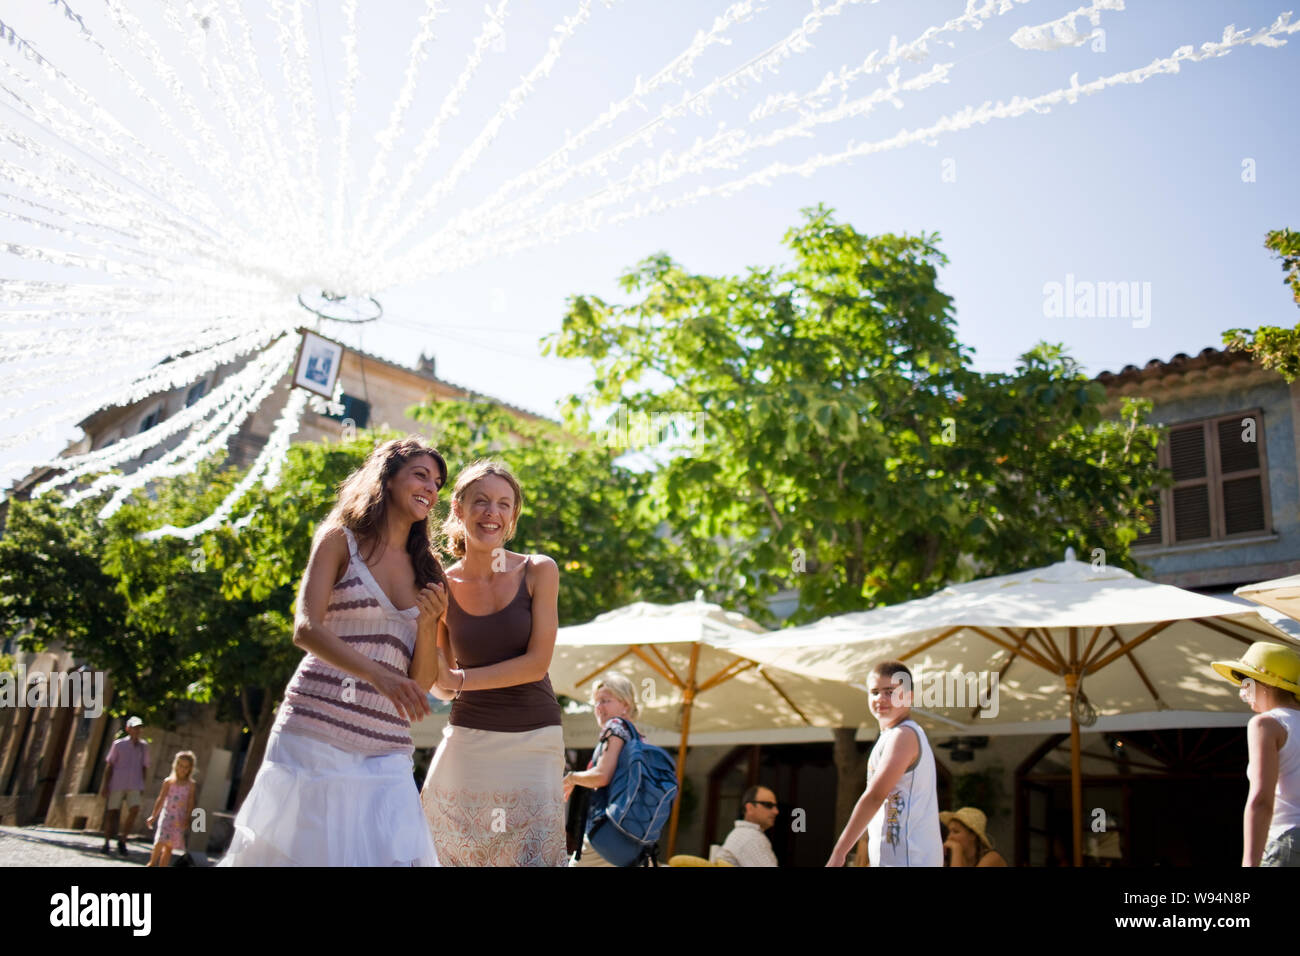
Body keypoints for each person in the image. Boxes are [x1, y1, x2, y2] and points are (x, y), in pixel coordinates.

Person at [219, 437, 449, 866]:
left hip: (387, 744)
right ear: (387, 476)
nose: (432, 488)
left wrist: (427, 621)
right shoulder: (339, 540)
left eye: (437, 482)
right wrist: (378, 675)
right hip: (315, 729)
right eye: (421, 474)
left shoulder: (428, 569)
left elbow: (418, 685)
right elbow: (306, 629)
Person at [418, 460, 566, 866]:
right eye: (480, 501)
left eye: (504, 504)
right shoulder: (440, 585)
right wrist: (428, 629)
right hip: (467, 738)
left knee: (524, 857)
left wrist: (457, 679)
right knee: (435, 849)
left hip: (534, 738)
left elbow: (536, 664)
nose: (491, 512)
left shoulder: (538, 570)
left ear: (513, 516)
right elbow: (440, 684)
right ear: (459, 509)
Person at [827, 660, 942, 867]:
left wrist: (839, 853)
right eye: (874, 692)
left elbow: (875, 796)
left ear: (909, 696)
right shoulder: (891, 736)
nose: (880, 698)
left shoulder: (904, 735)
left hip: (911, 859)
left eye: (890, 691)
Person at [1211, 641, 1300, 867]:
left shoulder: (1266, 725)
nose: (1242, 691)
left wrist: (1249, 863)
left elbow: (1261, 800)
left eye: (1245, 682)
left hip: (1288, 841)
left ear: (1266, 684)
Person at [562, 672, 643, 867]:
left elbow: (602, 776)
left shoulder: (615, 727)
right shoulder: (637, 736)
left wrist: (571, 778)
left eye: (606, 701)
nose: (599, 707)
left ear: (626, 705)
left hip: (608, 828)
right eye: (596, 702)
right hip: (634, 829)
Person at [100, 716, 150, 856]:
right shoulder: (118, 744)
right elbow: (110, 765)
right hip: (117, 782)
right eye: (134, 727)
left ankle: (123, 839)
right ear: (128, 729)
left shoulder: (144, 747)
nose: (137, 730)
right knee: (112, 812)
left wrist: (142, 784)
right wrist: (105, 785)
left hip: (134, 783)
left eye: (139, 728)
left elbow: (145, 767)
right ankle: (107, 842)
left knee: (134, 810)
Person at [146, 751, 197, 867]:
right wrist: (154, 815)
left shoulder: (191, 784)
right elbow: (161, 799)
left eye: (186, 767)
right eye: (180, 765)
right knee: (160, 840)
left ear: (190, 769)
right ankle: (152, 863)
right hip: (167, 815)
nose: (182, 769)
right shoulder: (168, 782)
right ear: (175, 765)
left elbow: (190, 802)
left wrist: (188, 818)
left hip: (179, 818)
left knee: (169, 846)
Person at [714, 785, 780, 867]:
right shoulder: (750, 836)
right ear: (750, 808)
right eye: (768, 805)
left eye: (776, 806)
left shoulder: (741, 833)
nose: (776, 811)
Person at [940, 806, 1007, 867]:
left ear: (973, 835)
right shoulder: (952, 857)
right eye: (949, 832)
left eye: (956, 832)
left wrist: (956, 850)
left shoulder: (992, 858)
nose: (949, 837)